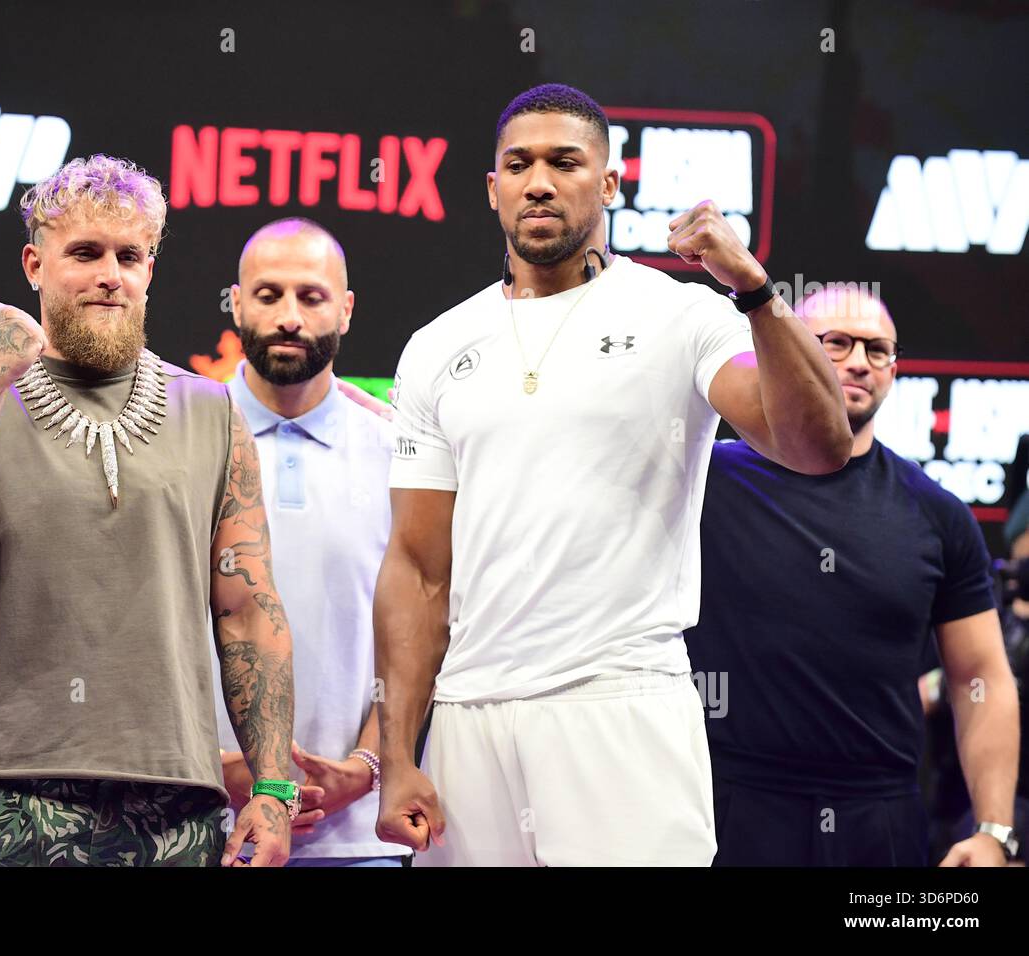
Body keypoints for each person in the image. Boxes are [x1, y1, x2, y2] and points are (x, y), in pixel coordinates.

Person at [373, 83, 852, 866]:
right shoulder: (436, 345)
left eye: (566, 162)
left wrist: (756, 292)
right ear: (492, 188)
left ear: (609, 183)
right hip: (469, 716)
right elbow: (417, 567)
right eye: (518, 164)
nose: (539, 181)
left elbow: (815, 444)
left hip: (618, 702)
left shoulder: (684, 316)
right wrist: (397, 757)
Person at [0, 154, 299, 867]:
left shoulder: (211, 412)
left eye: (130, 255)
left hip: (173, 804)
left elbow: (248, 611)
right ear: (34, 264)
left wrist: (274, 787)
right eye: (85, 252)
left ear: (150, 269)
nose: (111, 274)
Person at [685, 286, 1020, 866]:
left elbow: (979, 675)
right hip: (722, 807)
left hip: (880, 822)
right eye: (835, 344)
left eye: (877, 349)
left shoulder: (936, 513)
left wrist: (994, 829)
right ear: (787, 349)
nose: (859, 361)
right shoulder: (701, 484)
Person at [212, 218, 409, 866]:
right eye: (268, 296)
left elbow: (422, 630)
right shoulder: (179, 441)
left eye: (312, 296)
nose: (289, 316)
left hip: (357, 838)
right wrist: (203, 762)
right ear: (237, 304)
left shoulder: (397, 456)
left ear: (345, 309)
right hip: (200, 826)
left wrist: (371, 764)